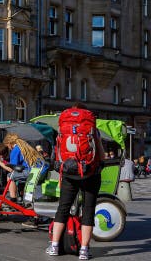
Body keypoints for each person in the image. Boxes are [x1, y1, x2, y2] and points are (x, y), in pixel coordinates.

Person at [47, 103, 105, 260]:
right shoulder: (92, 130)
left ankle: (54, 246)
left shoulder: (63, 128)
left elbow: (58, 152)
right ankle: (84, 250)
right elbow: (101, 154)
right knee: (88, 210)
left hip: (68, 173)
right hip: (90, 173)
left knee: (63, 208)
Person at [3, 132, 43, 200]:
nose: (9, 148)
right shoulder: (25, 146)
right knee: (17, 175)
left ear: (9, 144)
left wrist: (0, 163)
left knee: (10, 176)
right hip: (38, 171)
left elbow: (12, 169)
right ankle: (20, 195)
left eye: (7, 146)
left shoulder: (15, 149)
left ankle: (13, 199)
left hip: (30, 172)